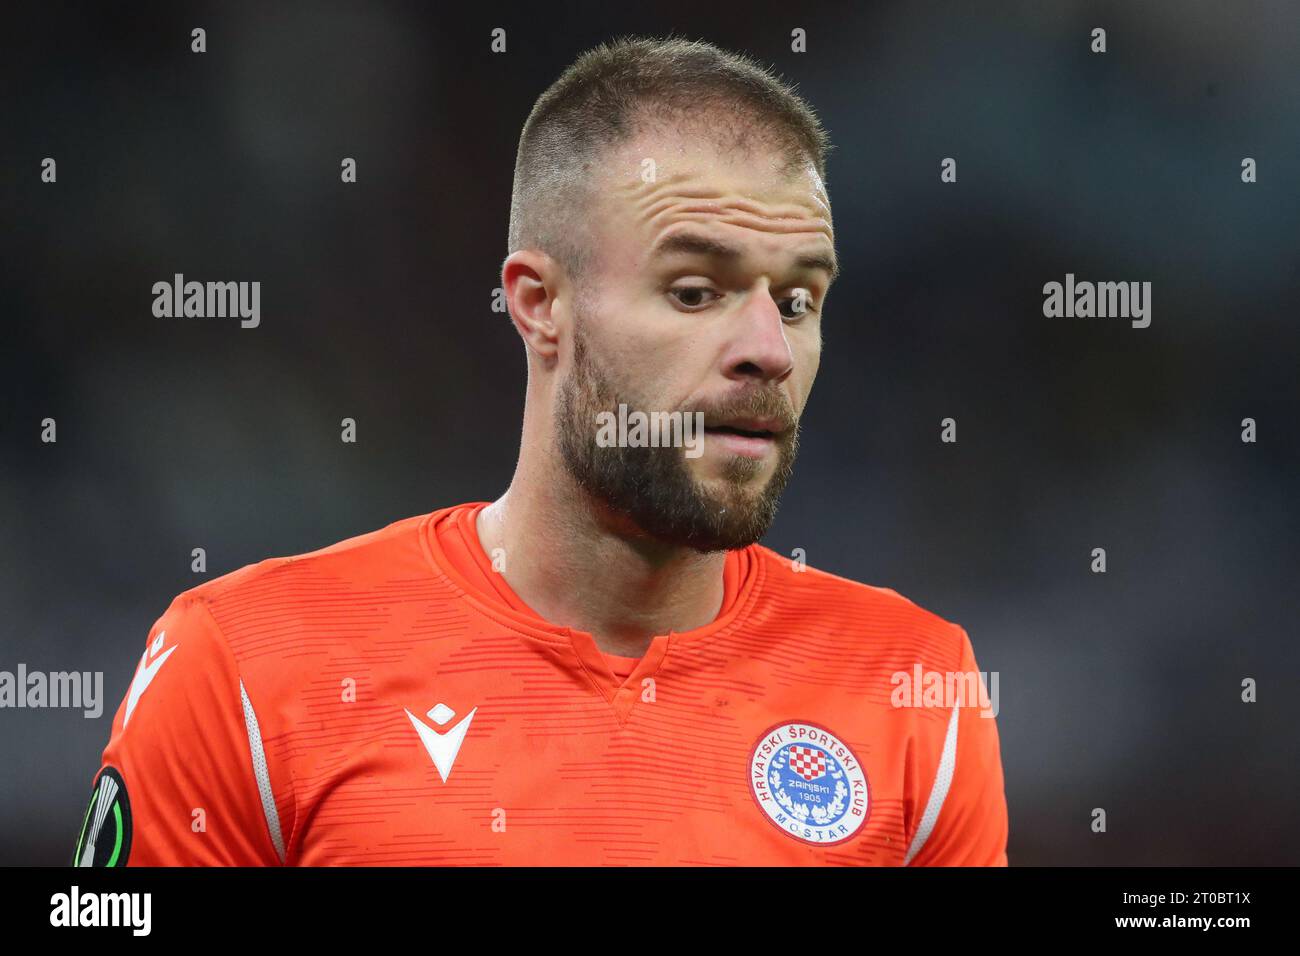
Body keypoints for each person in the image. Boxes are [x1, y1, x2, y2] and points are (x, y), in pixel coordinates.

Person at [76, 35, 1007, 866]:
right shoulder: (244, 667)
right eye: (694, 291)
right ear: (539, 304)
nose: (768, 347)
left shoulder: (912, 685)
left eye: (799, 300)